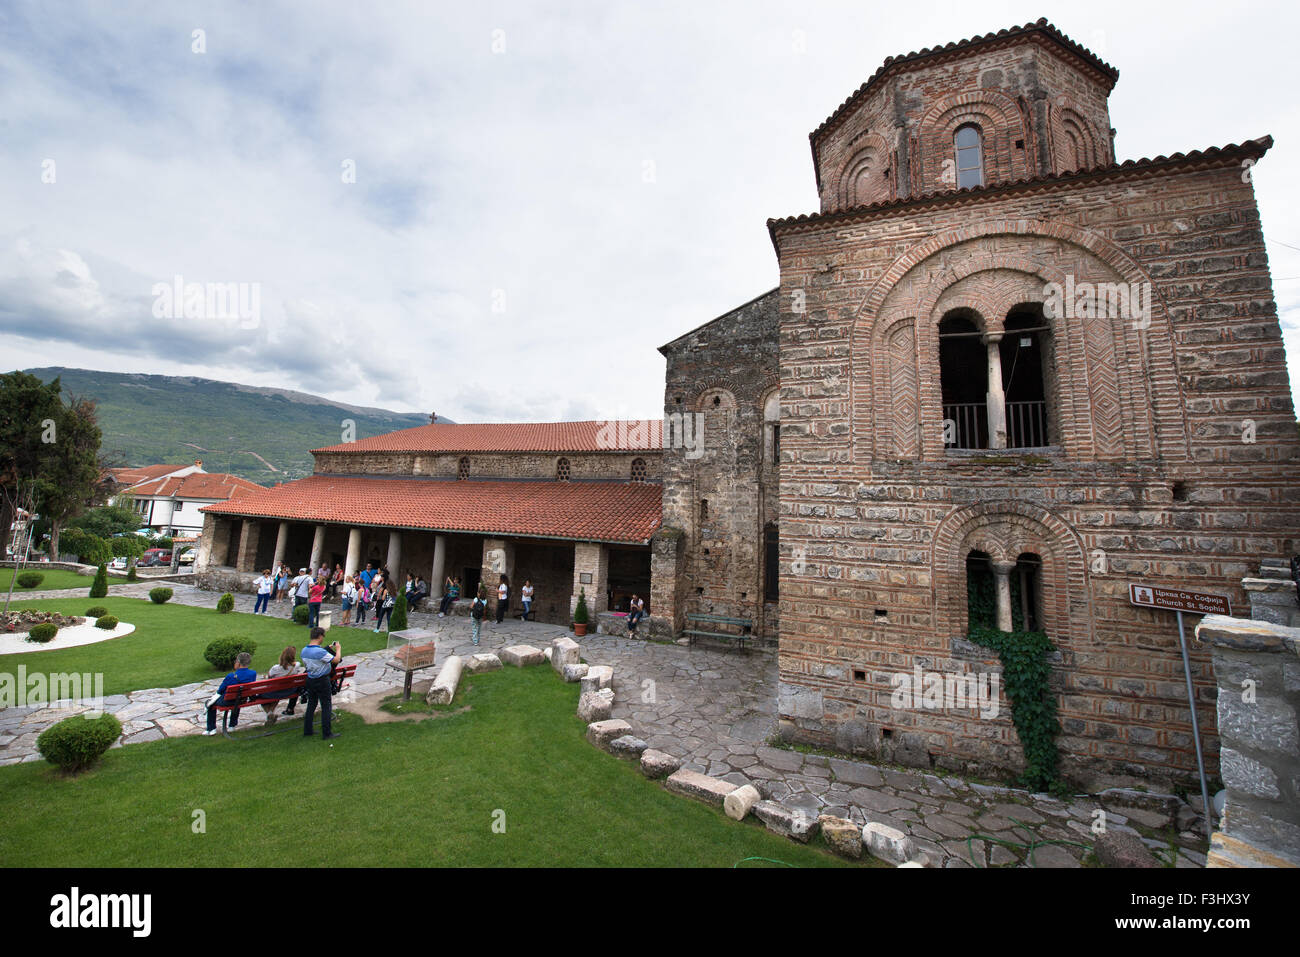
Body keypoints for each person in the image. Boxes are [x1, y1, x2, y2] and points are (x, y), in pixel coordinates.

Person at [301, 627, 341, 740]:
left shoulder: (304, 650)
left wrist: (327, 648)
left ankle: (308, 730)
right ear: (320, 636)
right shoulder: (320, 652)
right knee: (326, 706)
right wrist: (338, 649)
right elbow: (336, 660)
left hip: (310, 679)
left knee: (311, 704)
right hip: (322, 680)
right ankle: (327, 733)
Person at [203, 651, 257, 735]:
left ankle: (211, 729)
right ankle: (232, 726)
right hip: (242, 699)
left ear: (238, 663)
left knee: (211, 704)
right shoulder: (253, 674)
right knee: (238, 697)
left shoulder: (231, 676)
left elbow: (220, 690)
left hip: (227, 701)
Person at [262, 646, 304, 723]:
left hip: (277, 691)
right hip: (290, 691)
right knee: (276, 692)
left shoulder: (275, 668)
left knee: (260, 695)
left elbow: (269, 676)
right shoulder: (296, 666)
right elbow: (297, 664)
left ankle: (269, 713)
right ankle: (271, 713)